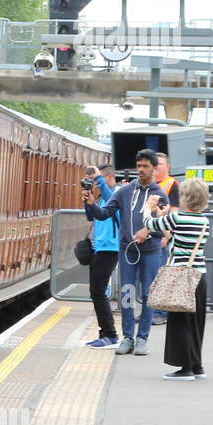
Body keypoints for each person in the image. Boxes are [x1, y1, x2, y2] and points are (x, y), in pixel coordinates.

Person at [84, 148, 168, 356]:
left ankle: (142, 338)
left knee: (148, 294)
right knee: (127, 293)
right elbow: (105, 214)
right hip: (127, 250)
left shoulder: (159, 194)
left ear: (154, 169)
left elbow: (165, 224)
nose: (140, 170)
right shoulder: (125, 191)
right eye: (138, 166)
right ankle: (128, 337)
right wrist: (92, 205)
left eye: (145, 166)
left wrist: (148, 230)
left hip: (150, 251)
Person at [138, 178, 211, 381]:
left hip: (181, 276)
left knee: (180, 321)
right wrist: (164, 217)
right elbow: (174, 236)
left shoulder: (178, 217)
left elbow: (148, 224)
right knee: (196, 323)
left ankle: (185, 368)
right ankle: (197, 366)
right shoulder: (204, 220)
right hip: (199, 276)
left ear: (186, 198)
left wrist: (148, 207)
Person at [84, 163, 121, 349]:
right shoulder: (100, 198)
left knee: (98, 292)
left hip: (110, 248)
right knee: (96, 292)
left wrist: (98, 179)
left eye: (99, 180)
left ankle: (111, 335)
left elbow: (111, 198)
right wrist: (87, 200)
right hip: (99, 248)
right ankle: (104, 333)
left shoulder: (118, 194)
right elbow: (91, 217)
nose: (97, 185)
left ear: (109, 177)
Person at [151, 152, 181, 326]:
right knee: (151, 276)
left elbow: (174, 211)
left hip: (162, 236)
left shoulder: (171, 184)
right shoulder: (150, 184)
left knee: (161, 275)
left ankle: (161, 312)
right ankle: (152, 310)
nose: (156, 167)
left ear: (167, 167)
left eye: (159, 164)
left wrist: (166, 234)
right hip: (151, 234)